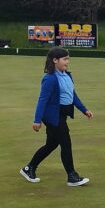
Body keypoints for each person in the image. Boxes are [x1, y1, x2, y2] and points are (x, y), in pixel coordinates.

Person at [22, 47, 93, 186]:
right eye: (65, 59)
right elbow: (42, 100)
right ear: (55, 60)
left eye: (68, 58)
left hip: (62, 114)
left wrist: (84, 110)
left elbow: (72, 95)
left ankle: (29, 168)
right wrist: (37, 120)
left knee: (51, 144)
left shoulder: (67, 75)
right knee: (66, 143)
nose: (68, 61)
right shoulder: (50, 79)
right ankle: (72, 176)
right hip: (53, 117)